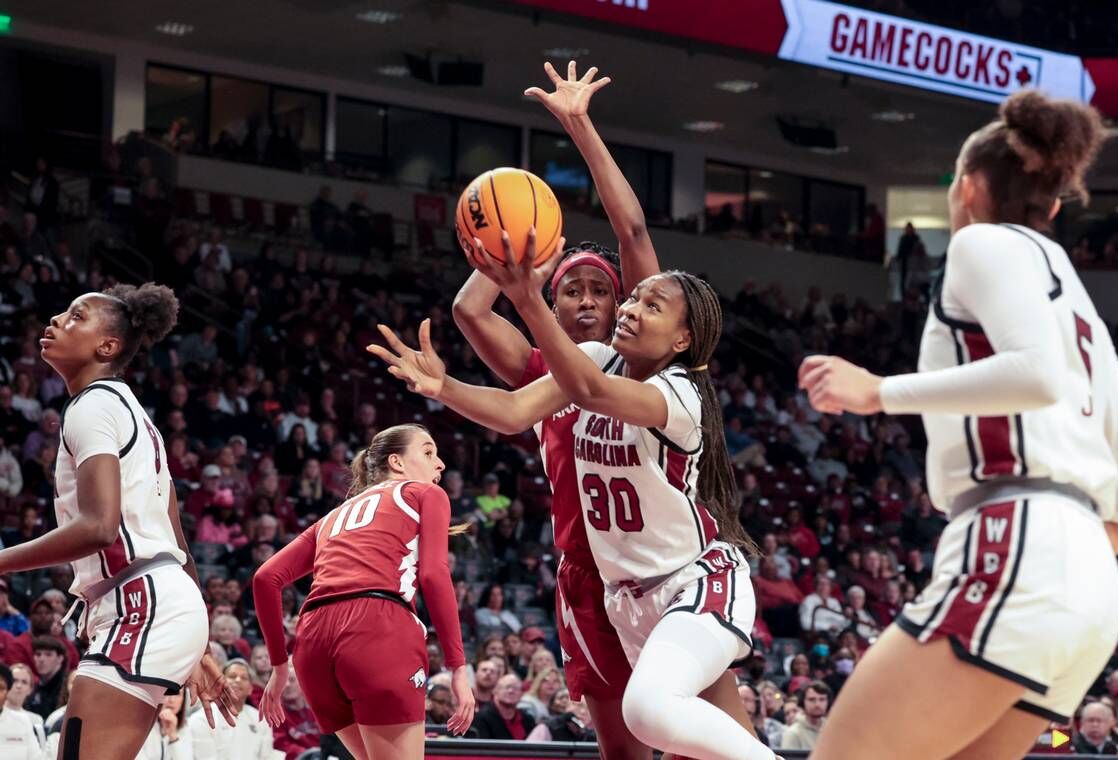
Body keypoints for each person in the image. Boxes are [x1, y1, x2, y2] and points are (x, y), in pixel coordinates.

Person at [799, 90, 1118, 760]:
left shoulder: (982, 242)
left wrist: (877, 392)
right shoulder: (1074, 297)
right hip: (1087, 587)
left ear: (970, 186)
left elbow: (1034, 375)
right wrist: (1076, 546)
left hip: (1020, 542)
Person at [448, 60, 753, 760]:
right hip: (591, 579)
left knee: (708, 739)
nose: (586, 300)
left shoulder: (650, 366)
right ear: (550, 307)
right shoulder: (545, 369)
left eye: (599, 290)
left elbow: (634, 228)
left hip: (670, 564)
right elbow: (469, 312)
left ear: (628, 306)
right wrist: (513, 251)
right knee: (628, 749)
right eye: (569, 290)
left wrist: (580, 128)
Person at [375, 265, 770, 758]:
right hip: (616, 591)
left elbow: (591, 389)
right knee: (657, 735)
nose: (626, 309)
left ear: (683, 338)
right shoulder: (596, 358)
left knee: (658, 716)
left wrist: (525, 297)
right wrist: (443, 388)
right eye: (635, 300)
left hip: (689, 577)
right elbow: (515, 410)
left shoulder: (678, 392)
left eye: (644, 304)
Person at [1, 282, 238, 757]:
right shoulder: (135, 416)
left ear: (106, 346)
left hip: (143, 601)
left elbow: (99, 527)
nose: (56, 321)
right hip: (160, 597)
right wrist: (201, 644)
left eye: (75, 316)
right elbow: (179, 544)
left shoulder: (93, 405)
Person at [253, 424, 476, 760]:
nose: (440, 463)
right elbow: (433, 574)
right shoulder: (425, 493)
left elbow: (265, 578)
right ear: (397, 463)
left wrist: (279, 666)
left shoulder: (332, 516)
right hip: (375, 627)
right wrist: (458, 666)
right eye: (429, 452)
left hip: (312, 641)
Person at [189, 659, 275, 758]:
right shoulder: (201, 719)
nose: (238, 680)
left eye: (244, 678)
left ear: (251, 689)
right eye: (232, 676)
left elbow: (267, 756)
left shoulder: (261, 719)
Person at [469, 673, 536, 740]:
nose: (511, 691)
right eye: (507, 687)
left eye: (516, 688)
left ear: (521, 694)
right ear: (495, 691)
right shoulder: (481, 718)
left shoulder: (528, 719)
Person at [135, 687, 193, 760]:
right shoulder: (141, 725)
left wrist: (173, 736)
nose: (172, 700)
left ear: (183, 700)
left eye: (177, 694)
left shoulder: (185, 728)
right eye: (167, 693)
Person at [0, 663, 39, 759]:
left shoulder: (23, 721)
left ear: (7, 692)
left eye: (1, 688)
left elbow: (36, 757)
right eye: (16, 681)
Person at [780, 680, 831, 751]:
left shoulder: (832, 730)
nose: (817, 704)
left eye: (822, 699)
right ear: (803, 702)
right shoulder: (793, 733)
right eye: (812, 699)